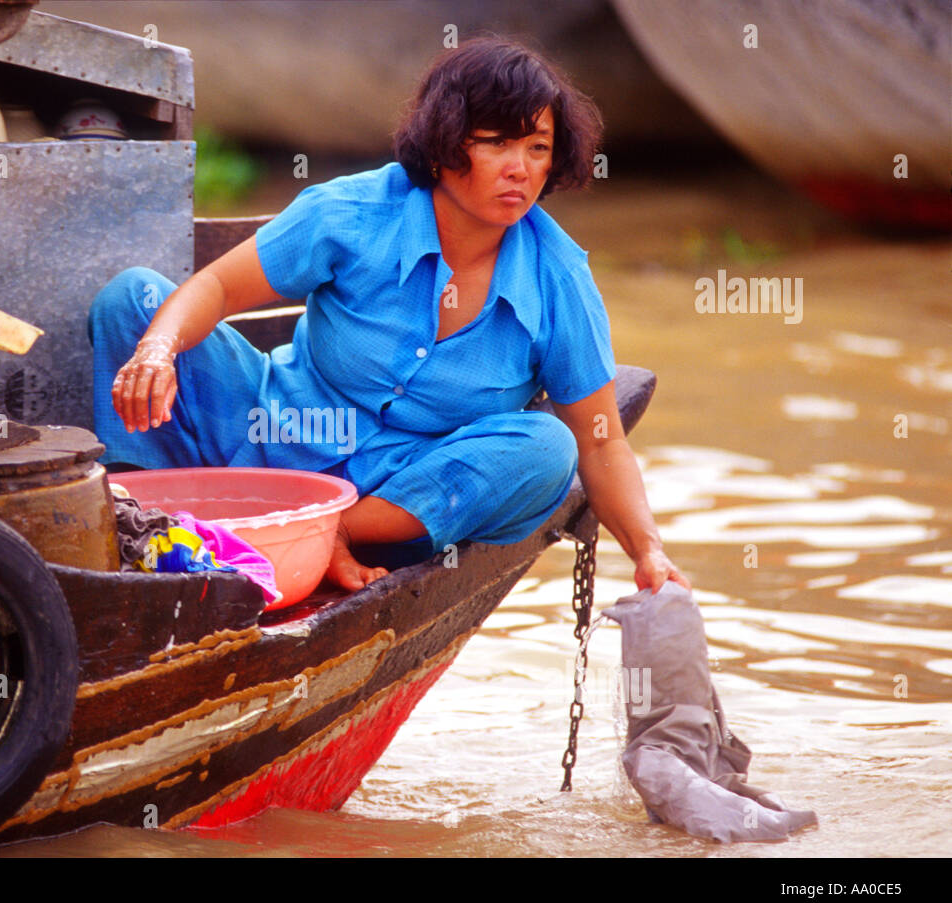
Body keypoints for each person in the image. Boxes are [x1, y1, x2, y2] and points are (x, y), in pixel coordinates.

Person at [89, 36, 688, 595]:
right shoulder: (353, 212)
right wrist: (157, 352)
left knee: (547, 447)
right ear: (449, 144)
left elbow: (601, 442)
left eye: (537, 148)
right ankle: (151, 533)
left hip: (394, 500)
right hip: (268, 428)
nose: (521, 169)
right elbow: (217, 287)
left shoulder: (557, 277)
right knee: (133, 299)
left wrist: (647, 551)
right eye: (498, 143)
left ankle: (334, 532)